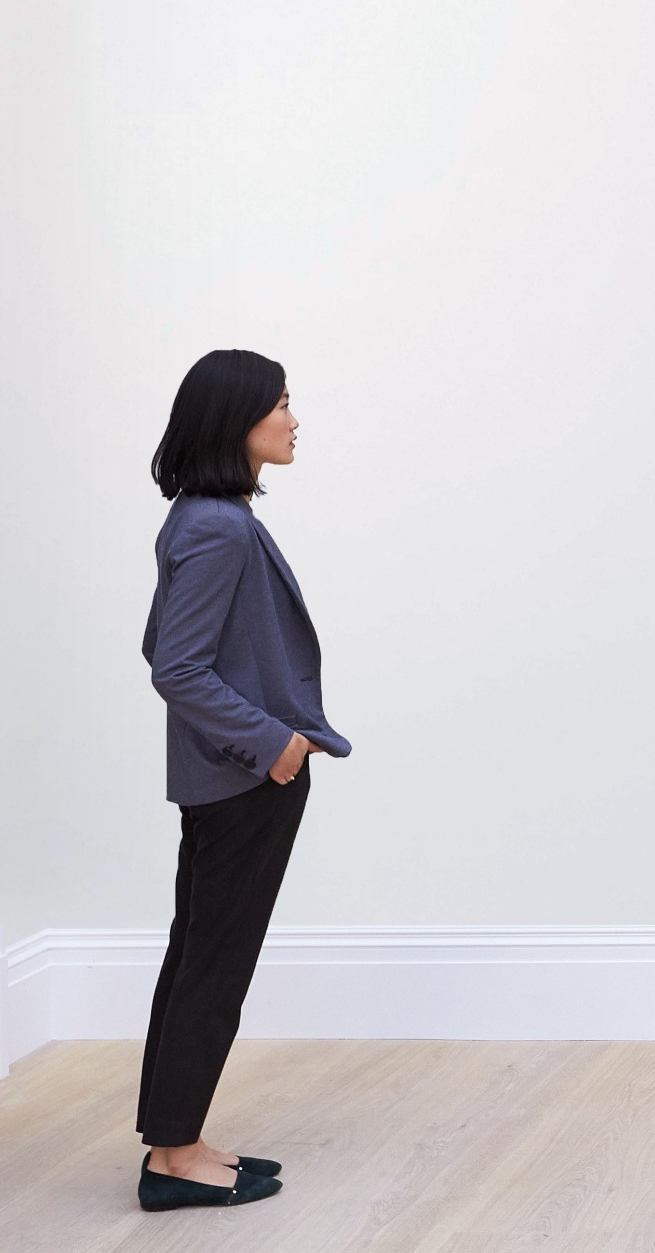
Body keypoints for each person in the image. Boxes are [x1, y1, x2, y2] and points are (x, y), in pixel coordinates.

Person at [133, 349, 350, 1212]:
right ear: (238, 421)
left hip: (226, 778)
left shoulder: (201, 515)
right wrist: (274, 745)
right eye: (282, 405)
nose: (295, 420)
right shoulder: (218, 526)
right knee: (214, 967)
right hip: (243, 781)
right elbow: (177, 667)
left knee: (198, 959)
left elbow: (161, 648)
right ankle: (173, 1161)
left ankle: (175, 1144)